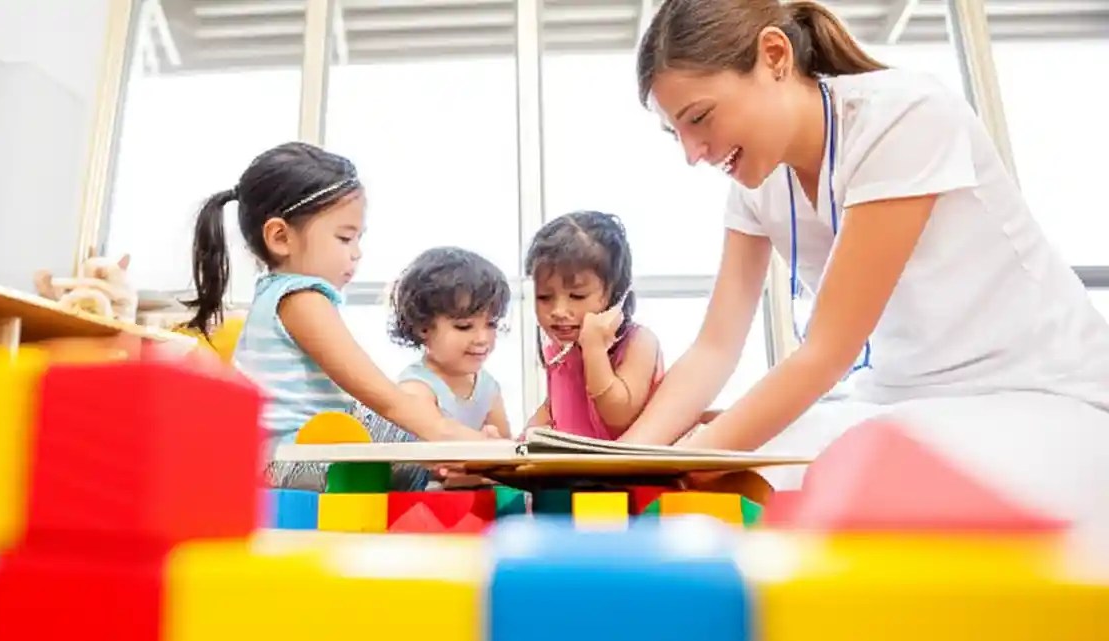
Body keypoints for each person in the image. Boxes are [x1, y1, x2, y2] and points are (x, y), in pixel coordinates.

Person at [621, 0, 1109, 528]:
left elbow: (828, 353)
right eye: (677, 134)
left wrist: (691, 460)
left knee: (840, 467)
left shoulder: (903, 116)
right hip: (895, 398)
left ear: (775, 55)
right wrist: (619, 459)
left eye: (699, 118)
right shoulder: (756, 187)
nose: (693, 153)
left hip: (1037, 393)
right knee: (751, 462)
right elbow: (715, 348)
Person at [185, 141, 492, 489]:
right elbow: (383, 398)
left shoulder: (278, 295)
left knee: (406, 427)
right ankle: (460, 468)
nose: (357, 253)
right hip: (286, 464)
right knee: (401, 421)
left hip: (286, 458)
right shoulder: (300, 299)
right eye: (345, 238)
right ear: (280, 237)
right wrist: (451, 435)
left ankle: (459, 464)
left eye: (359, 238)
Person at [356, 246, 512, 489]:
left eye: (491, 324)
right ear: (422, 327)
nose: (482, 338)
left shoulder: (488, 386)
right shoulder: (417, 387)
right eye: (464, 326)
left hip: (472, 493)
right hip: (422, 497)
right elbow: (427, 458)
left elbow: (506, 450)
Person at [523, 211, 664, 439]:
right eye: (544, 297)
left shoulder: (639, 344)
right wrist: (514, 443)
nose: (558, 311)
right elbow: (553, 410)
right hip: (576, 471)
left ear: (615, 294)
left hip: (628, 472)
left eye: (577, 296)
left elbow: (619, 415)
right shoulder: (559, 352)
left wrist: (594, 349)